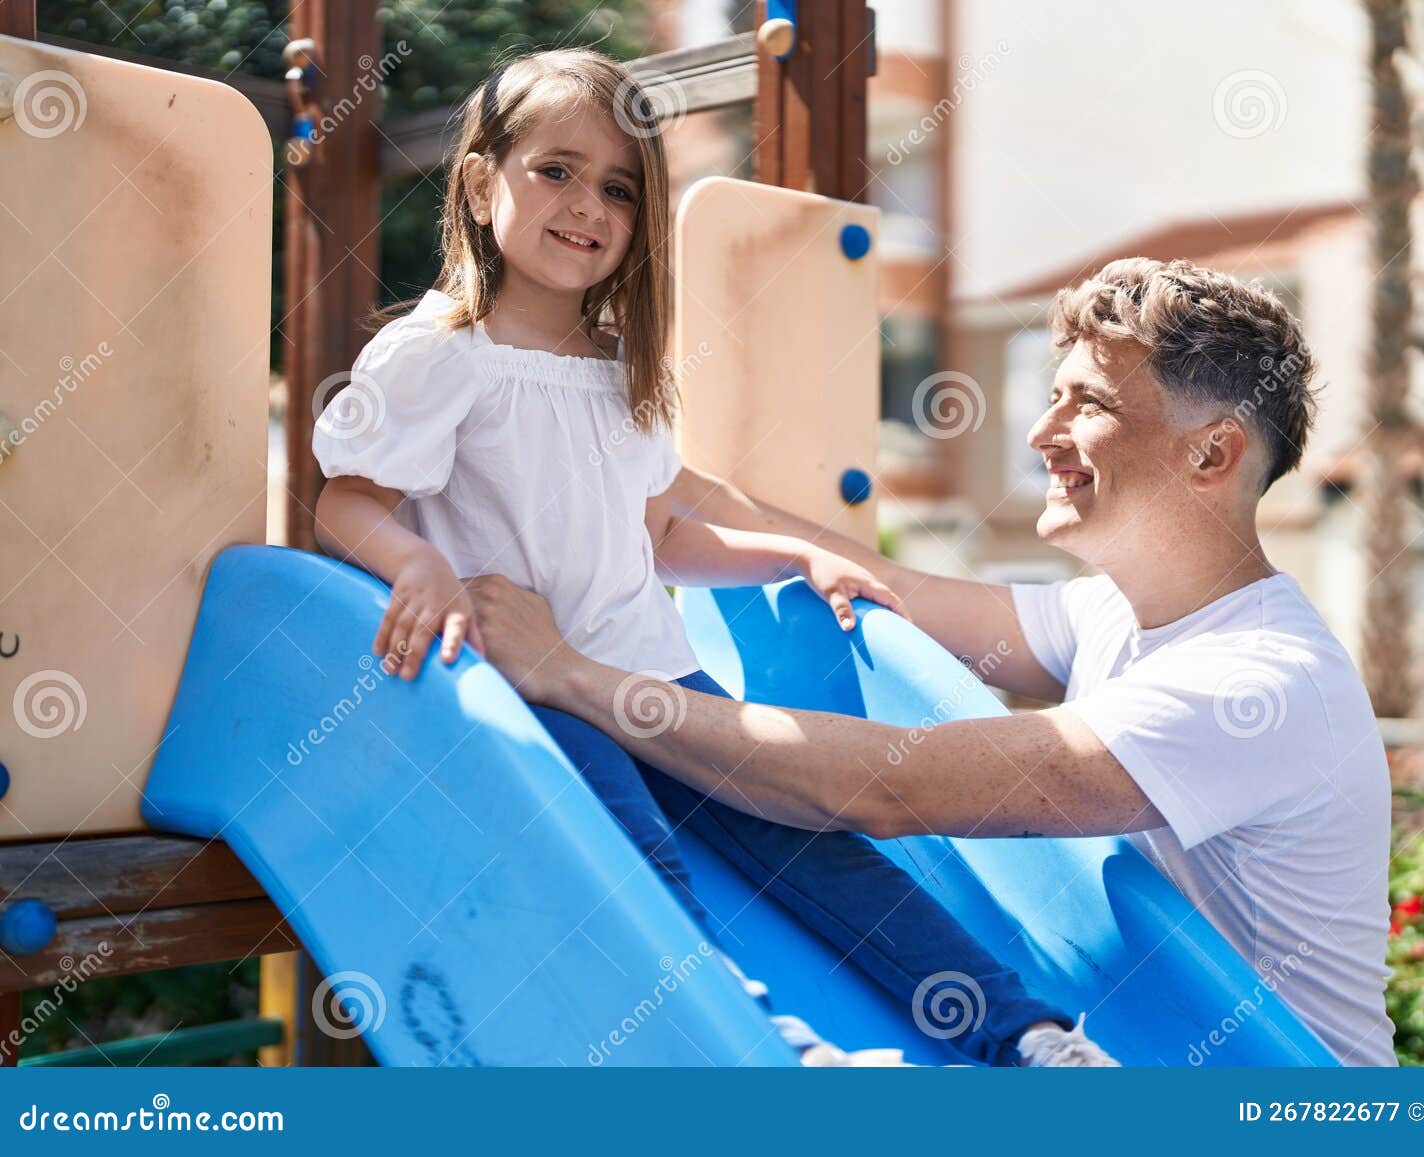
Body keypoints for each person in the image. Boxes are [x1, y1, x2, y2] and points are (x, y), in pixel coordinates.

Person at [311, 48, 1108, 1067]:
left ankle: (1024, 1029)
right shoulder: (435, 354)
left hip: (653, 672)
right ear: (477, 182)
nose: (585, 205)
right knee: (635, 859)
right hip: (535, 690)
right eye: (553, 170)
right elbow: (346, 498)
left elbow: (661, 536)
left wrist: (790, 555)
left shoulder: (618, 372)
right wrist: (413, 566)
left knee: (819, 849)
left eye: (617, 187)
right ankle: (763, 1040)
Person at [467, 257, 1400, 1067]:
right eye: (1055, 393)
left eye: (1092, 403)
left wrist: (575, 677)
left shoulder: (1260, 684)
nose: (1043, 433)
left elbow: (884, 787)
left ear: (1212, 453)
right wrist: (642, 477)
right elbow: (885, 589)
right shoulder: (1113, 612)